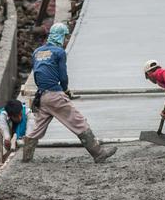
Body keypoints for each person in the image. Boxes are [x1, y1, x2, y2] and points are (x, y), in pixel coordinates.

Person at [20, 23, 116, 163]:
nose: (66, 40)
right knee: (78, 122)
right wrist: (65, 89)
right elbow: (63, 77)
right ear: (60, 36)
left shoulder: (37, 52)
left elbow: (37, 74)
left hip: (41, 96)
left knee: (38, 128)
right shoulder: (59, 52)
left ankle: (26, 157)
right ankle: (98, 153)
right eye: (65, 37)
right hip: (54, 95)